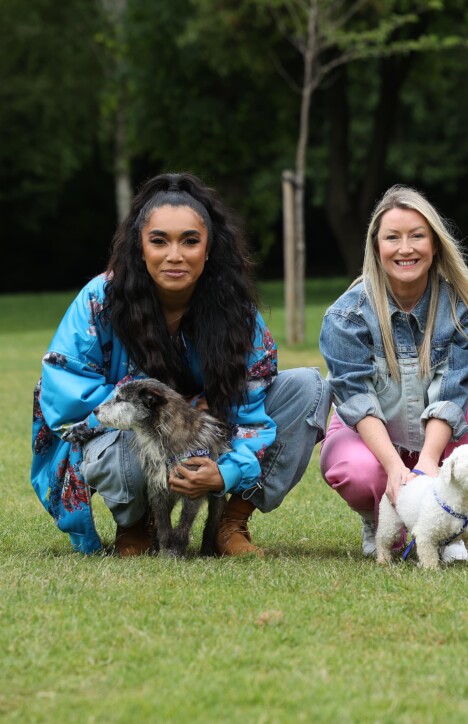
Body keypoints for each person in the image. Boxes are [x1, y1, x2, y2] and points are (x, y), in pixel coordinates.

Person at [30, 172, 331, 557]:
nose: (175, 255)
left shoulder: (236, 312)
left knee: (309, 387)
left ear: (208, 248)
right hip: (131, 434)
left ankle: (229, 521)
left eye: (190, 241)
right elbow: (65, 390)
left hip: (209, 436)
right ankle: (138, 523)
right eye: (159, 241)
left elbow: (252, 408)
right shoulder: (100, 299)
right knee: (132, 421)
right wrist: (179, 410)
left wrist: (227, 471)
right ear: (140, 247)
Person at [319, 185, 468, 557]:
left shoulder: (461, 309)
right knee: (358, 470)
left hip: (436, 433)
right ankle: (378, 519)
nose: (406, 248)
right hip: (370, 433)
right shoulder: (345, 316)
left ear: (434, 245)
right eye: (393, 238)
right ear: (376, 248)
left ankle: (457, 520)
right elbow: (356, 398)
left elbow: (451, 391)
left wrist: (429, 463)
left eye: (417, 236)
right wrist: (394, 466)